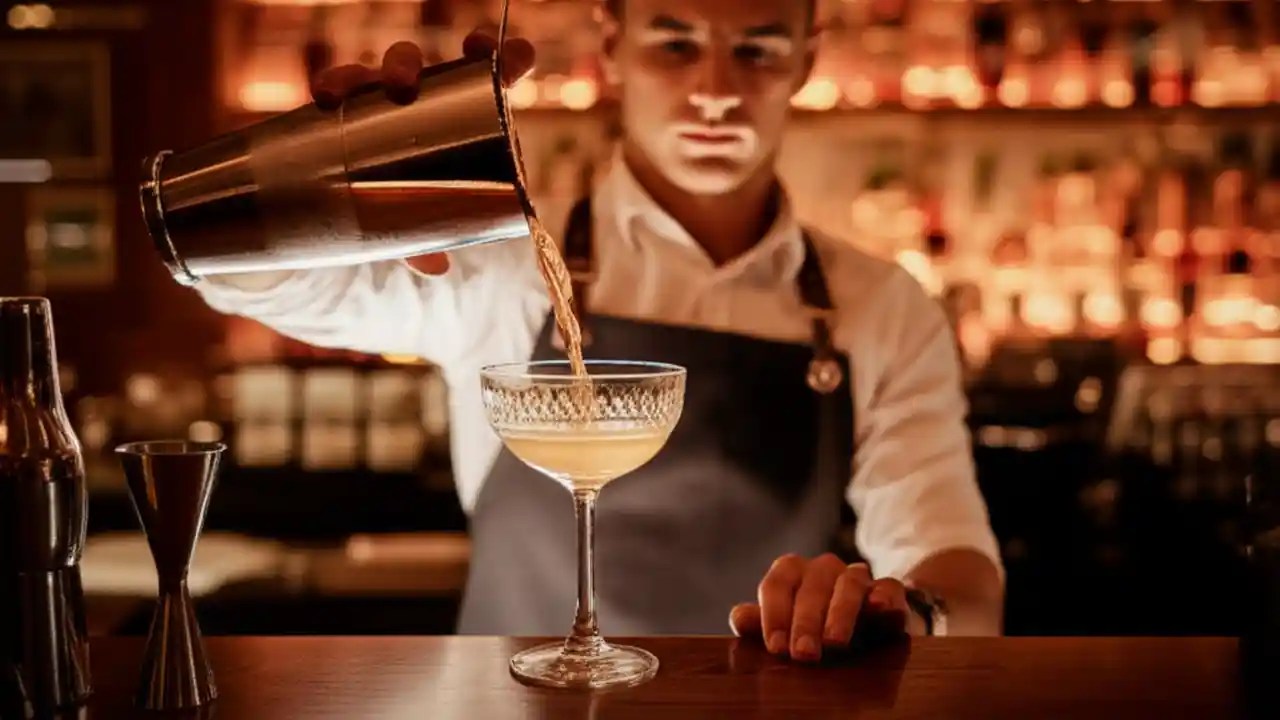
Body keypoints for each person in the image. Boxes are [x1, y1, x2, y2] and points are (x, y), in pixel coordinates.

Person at [197, 0, 1004, 662]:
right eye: (675, 43)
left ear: (808, 56)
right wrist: (319, 166)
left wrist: (905, 612)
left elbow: (960, 572)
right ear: (612, 46)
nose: (716, 90)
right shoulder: (499, 263)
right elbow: (240, 276)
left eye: (757, 50)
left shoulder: (883, 308)